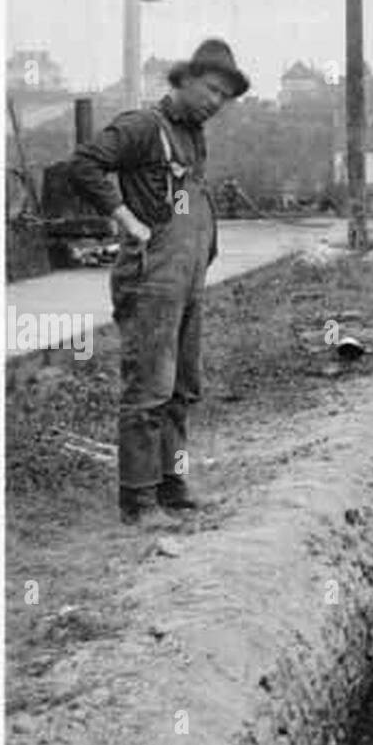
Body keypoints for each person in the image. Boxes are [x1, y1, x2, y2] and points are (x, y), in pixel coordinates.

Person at [69, 38, 249, 526]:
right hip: (152, 279)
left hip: (188, 278)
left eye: (224, 97)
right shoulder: (144, 126)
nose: (216, 102)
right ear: (184, 79)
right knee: (149, 389)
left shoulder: (193, 135)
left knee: (182, 388)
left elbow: (190, 199)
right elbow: (83, 164)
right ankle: (139, 502)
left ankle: (172, 486)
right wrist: (125, 218)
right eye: (210, 89)